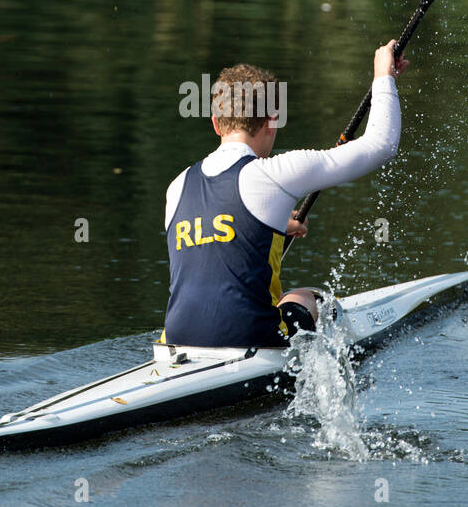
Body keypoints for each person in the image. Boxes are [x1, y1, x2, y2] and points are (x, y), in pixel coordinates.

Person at [162, 40, 410, 348]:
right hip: (250, 339)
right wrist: (382, 77)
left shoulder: (177, 186)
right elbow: (380, 146)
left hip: (175, 340)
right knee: (310, 299)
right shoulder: (273, 174)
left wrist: (274, 225)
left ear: (216, 124)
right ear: (270, 122)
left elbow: (216, 243)